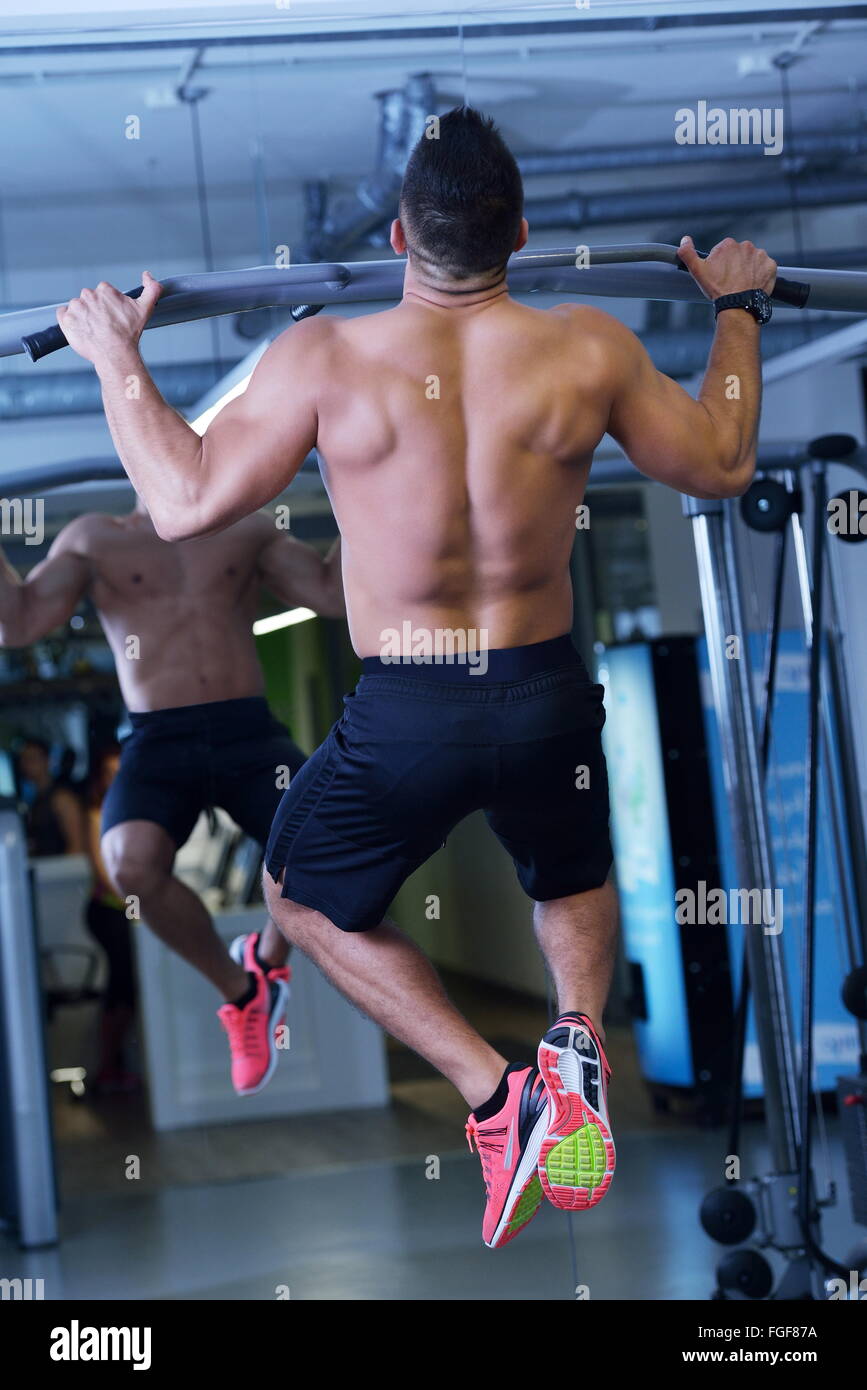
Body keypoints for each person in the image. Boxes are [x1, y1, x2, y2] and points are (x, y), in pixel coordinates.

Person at [53, 106, 775, 1246]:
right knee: (568, 869)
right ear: (523, 232)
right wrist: (736, 311)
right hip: (545, 689)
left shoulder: (326, 357)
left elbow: (183, 498)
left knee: (300, 895)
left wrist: (114, 357)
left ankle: (499, 1095)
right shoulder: (589, 346)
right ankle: (573, 1037)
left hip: (413, 704)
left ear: (397, 237)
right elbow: (726, 462)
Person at [0, 502, 343, 1095]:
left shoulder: (247, 526)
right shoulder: (95, 538)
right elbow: (18, 624)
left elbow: (332, 595)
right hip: (159, 737)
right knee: (130, 863)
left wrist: (359, 491)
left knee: (325, 844)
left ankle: (265, 958)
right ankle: (241, 994)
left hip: (248, 731)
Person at [83, 742, 140, 1093]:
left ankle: (114, 1065)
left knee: (127, 990)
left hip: (128, 912)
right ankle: (108, 1066)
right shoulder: (95, 815)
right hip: (109, 913)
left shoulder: (134, 811)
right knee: (120, 989)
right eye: (110, 774)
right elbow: (105, 874)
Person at [17, 735, 86, 857]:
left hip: (63, 871)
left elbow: (77, 844)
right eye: (23, 759)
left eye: (32, 758)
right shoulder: (36, 799)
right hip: (46, 870)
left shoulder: (62, 798)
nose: (26, 765)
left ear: (47, 760)